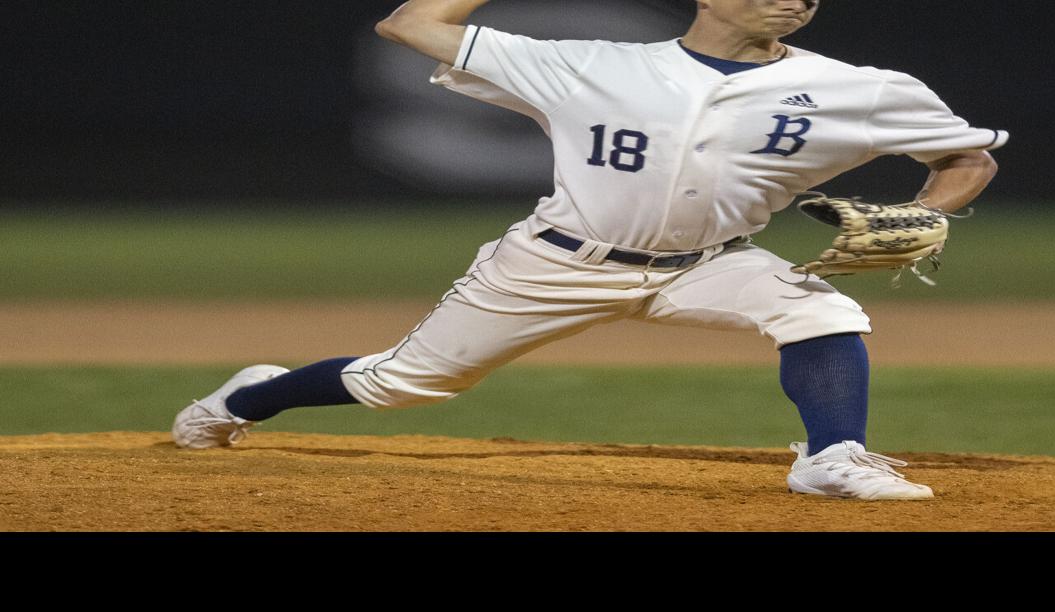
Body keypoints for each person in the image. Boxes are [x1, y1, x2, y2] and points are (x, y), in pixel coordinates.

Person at [172, 0, 1006, 500]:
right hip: (558, 263)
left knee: (816, 303)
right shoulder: (589, 64)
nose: (797, 0)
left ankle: (830, 457)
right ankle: (247, 399)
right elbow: (408, 23)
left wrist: (926, 210)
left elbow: (966, 158)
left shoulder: (861, 88)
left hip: (710, 261)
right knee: (402, 385)